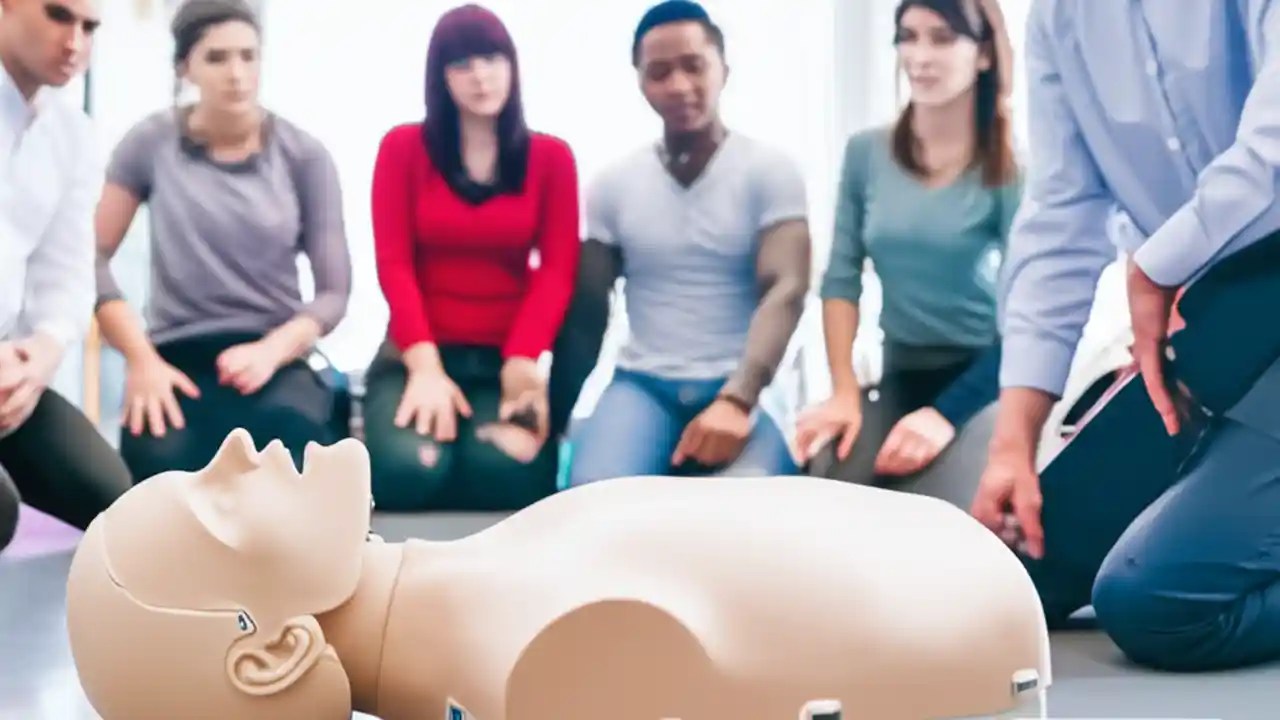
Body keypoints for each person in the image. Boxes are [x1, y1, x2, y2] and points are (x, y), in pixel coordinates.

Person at [971, 0, 1280, 672]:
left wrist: (1159, 262)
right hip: (1217, 324)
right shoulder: (1059, 20)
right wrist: (1012, 444)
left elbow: (1274, 145)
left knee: (1155, 602)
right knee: (1018, 574)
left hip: (1253, 304)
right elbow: (1060, 223)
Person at [94, 0, 352, 482]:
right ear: (184, 67)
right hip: (173, 358)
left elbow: (334, 293)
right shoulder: (149, 143)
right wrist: (141, 359)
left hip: (274, 355)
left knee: (290, 451)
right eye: (217, 58)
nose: (236, 74)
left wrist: (272, 351)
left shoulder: (304, 155)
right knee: (157, 469)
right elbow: (90, 256)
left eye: (248, 56)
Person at [565, 0, 811, 487]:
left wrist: (738, 398)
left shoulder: (770, 171)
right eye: (659, 72)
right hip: (642, 387)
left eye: (694, 66)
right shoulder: (613, 185)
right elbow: (587, 311)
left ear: (724, 69)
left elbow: (786, 289)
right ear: (640, 82)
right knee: (593, 499)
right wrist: (553, 412)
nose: (679, 85)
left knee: (747, 511)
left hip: (744, 388)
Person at [795, 0, 1019, 496]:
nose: (919, 56)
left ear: (984, 54)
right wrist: (843, 392)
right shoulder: (865, 153)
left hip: (981, 378)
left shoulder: (1009, 167)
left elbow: (1030, 316)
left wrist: (945, 415)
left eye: (942, 38)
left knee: (945, 511)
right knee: (835, 488)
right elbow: (841, 280)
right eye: (908, 37)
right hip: (899, 371)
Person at [365, 4, 581, 512]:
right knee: (408, 470)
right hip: (415, 357)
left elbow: (557, 271)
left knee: (508, 477)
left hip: (504, 365)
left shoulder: (552, 158)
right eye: (461, 64)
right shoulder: (401, 148)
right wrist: (425, 368)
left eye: (491, 59)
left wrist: (524, 360)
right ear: (440, 77)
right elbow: (394, 263)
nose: (480, 76)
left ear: (512, 64)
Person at [0, 0, 132, 551]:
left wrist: (42, 356)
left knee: (113, 498)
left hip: (8, 368)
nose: (75, 41)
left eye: (89, 26)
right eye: (58, 15)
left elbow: (68, 272)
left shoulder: (73, 134)